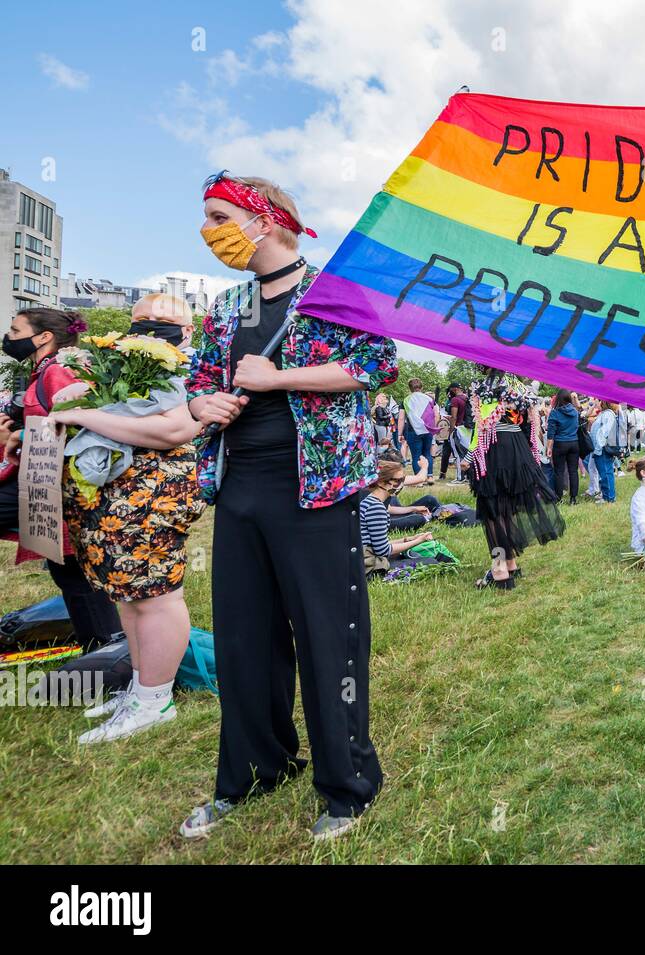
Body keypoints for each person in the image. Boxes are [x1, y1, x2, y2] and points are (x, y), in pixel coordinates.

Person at [182, 171, 396, 841]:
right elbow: (197, 383)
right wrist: (201, 404)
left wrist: (279, 377)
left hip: (317, 489)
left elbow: (375, 362)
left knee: (329, 639)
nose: (208, 230)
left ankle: (348, 784)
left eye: (219, 215)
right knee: (246, 639)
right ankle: (256, 767)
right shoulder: (226, 306)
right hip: (238, 488)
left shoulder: (331, 294)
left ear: (264, 218)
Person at [45, 297, 207, 745]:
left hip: (153, 495)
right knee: (129, 595)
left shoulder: (189, 371)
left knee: (156, 595)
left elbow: (173, 430)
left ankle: (155, 702)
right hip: (116, 498)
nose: (152, 329)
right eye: (141, 321)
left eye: (167, 322)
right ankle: (142, 687)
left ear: (187, 331)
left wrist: (81, 413)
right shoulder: (120, 370)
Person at [1, 308, 123, 652]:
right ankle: (104, 650)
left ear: (43, 337)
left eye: (14, 329)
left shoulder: (58, 371)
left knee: (74, 570)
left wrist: (21, 435)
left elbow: (84, 421)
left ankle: (109, 651)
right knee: (71, 571)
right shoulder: (43, 370)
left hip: (57, 483)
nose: (8, 337)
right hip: (43, 480)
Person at [467, 375, 565, 589]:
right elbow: (530, 422)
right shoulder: (519, 386)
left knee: (492, 510)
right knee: (507, 506)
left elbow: (482, 423)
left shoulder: (486, 384)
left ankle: (499, 567)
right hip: (517, 447)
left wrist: (469, 456)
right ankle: (510, 562)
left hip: (494, 446)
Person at [360, 459, 435, 576]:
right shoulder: (376, 507)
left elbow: (377, 545)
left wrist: (409, 539)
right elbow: (383, 551)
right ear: (380, 482)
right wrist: (419, 541)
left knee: (416, 557)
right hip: (371, 566)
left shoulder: (369, 501)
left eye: (402, 480)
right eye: (397, 480)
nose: (401, 484)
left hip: (365, 558)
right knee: (431, 562)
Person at [546, 389, 581, 505]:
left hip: (560, 444)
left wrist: (549, 448)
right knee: (573, 472)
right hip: (574, 443)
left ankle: (559, 498)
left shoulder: (555, 413)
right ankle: (573, 499)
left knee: (559, 472)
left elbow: (551, 434)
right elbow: (578, 407)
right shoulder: (575, 412)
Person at [399, 378, 436, 480]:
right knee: (427, 453)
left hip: (413, 430)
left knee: (416, 455)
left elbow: (401, 418)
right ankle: (430, 477)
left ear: (410, 388)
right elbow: (435, 414)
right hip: (428, 429)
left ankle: (419, 480)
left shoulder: (406, 400)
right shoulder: (429, 399)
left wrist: (399, 433)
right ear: (422, 387)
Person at [438, 383, 469, 482]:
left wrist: (451, 430)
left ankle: (460, 477)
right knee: (466, 453)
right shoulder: (467, 398)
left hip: (458, 428)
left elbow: (455, 417)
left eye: (451, 389)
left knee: (458, 454)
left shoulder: (455, 400)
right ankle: (468, 476)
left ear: (454, 389)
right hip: (468, 428)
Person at [590, 401, 619, 504]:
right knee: (604, 473)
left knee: (606, 473)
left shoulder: (608, 414)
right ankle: (606, 495)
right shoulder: (605, 413)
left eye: (600, 400)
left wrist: (598, 447)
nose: (598, 402)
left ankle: (609, 498)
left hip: (602, 448)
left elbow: (604, 432)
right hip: (600, 448)